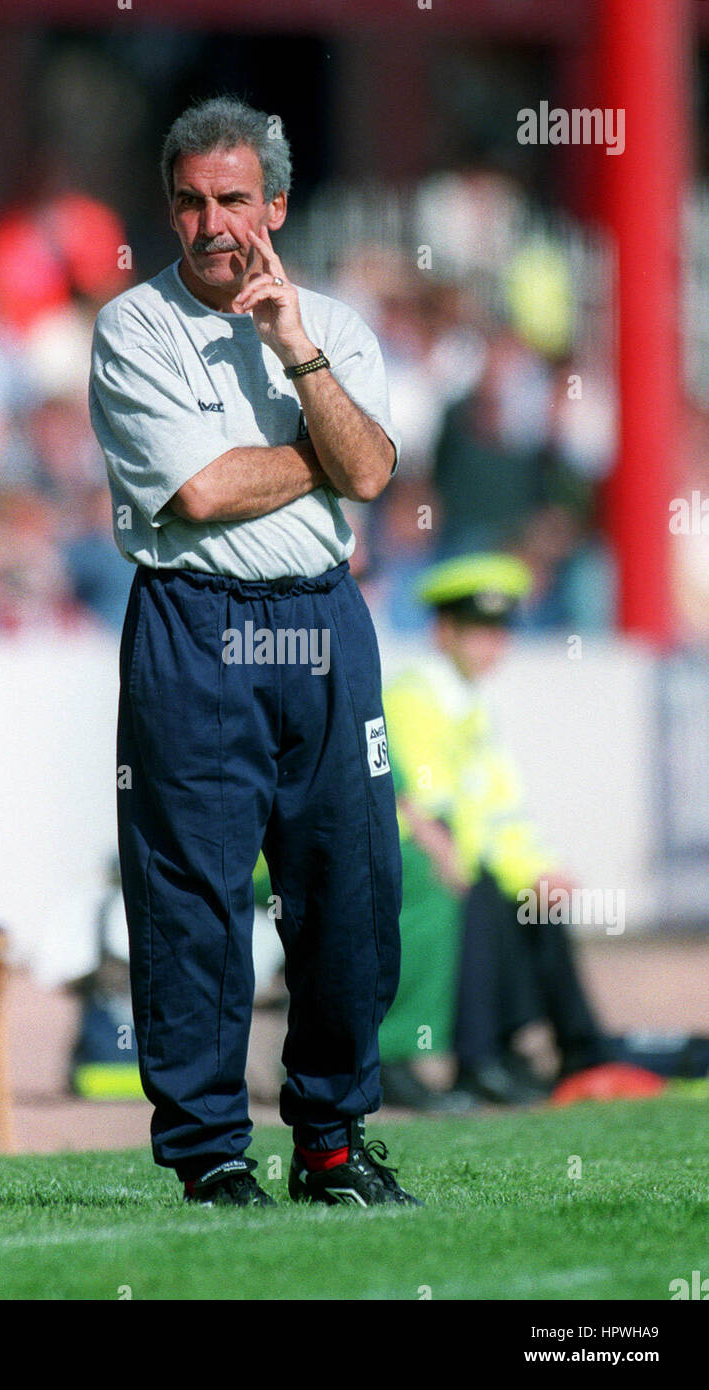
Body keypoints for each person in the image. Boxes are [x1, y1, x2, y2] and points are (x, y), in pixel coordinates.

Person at [88, 97, 419, 1207]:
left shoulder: (334, 326)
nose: (211, 223)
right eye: (189, 201)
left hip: (321, 621)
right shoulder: (134, 328)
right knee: (190, 899)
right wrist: (317, 454)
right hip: (194, 626)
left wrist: (296, 355)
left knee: (351, 887)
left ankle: (330, 1139)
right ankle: (209, 1152)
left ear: (275, 205)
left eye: (233, 199)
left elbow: (369, 472)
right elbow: (198, 490)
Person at [382, 553, 652, 1107]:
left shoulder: (470, 704)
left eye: (499, 632)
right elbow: (425, 807)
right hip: (417, 858)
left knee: (535, 900)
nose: (492, 645)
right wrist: (485, 864)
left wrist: (537, 873)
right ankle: (477, 1059)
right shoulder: (416, 695)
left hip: (461, 856)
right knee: (478, 894)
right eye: (479, 632)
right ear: (444, 632)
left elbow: (503, 817)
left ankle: (576, 1051)